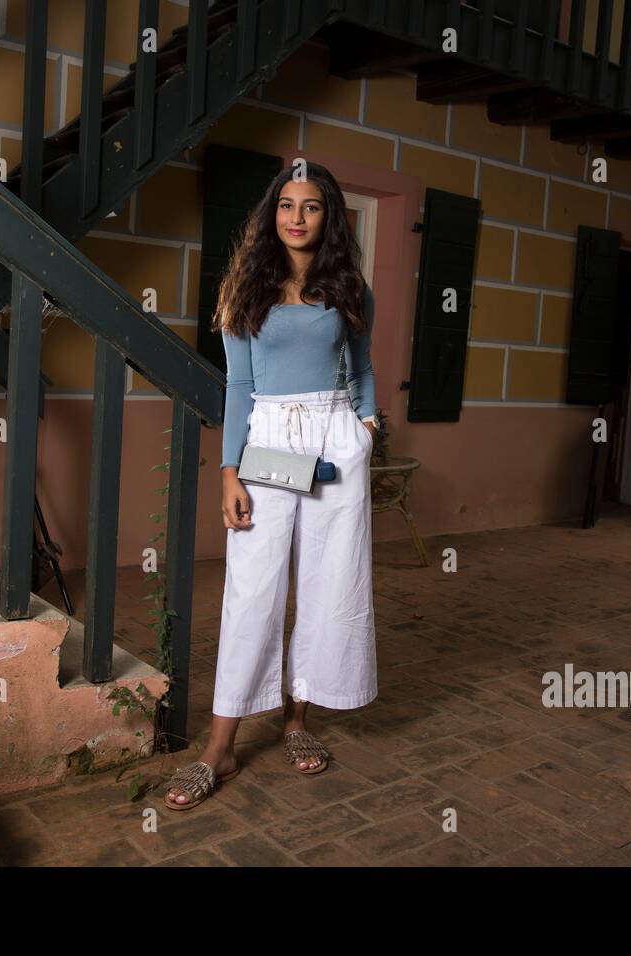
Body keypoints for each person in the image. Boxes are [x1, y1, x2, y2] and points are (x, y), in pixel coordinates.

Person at [164, 162, 379, 810]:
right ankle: (220, 745)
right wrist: (230, 470)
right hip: (269, 441)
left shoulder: (350, 289)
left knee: (328, 583)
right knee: (252, 590)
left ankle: (297, 719)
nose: (296, 216)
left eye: (310, 206)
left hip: (336, 436)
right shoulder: (244, 286)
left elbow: (363, 368)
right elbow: (238, 386)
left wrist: (365, 427)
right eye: (286, 204)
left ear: (327, 216)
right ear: (272, 213)